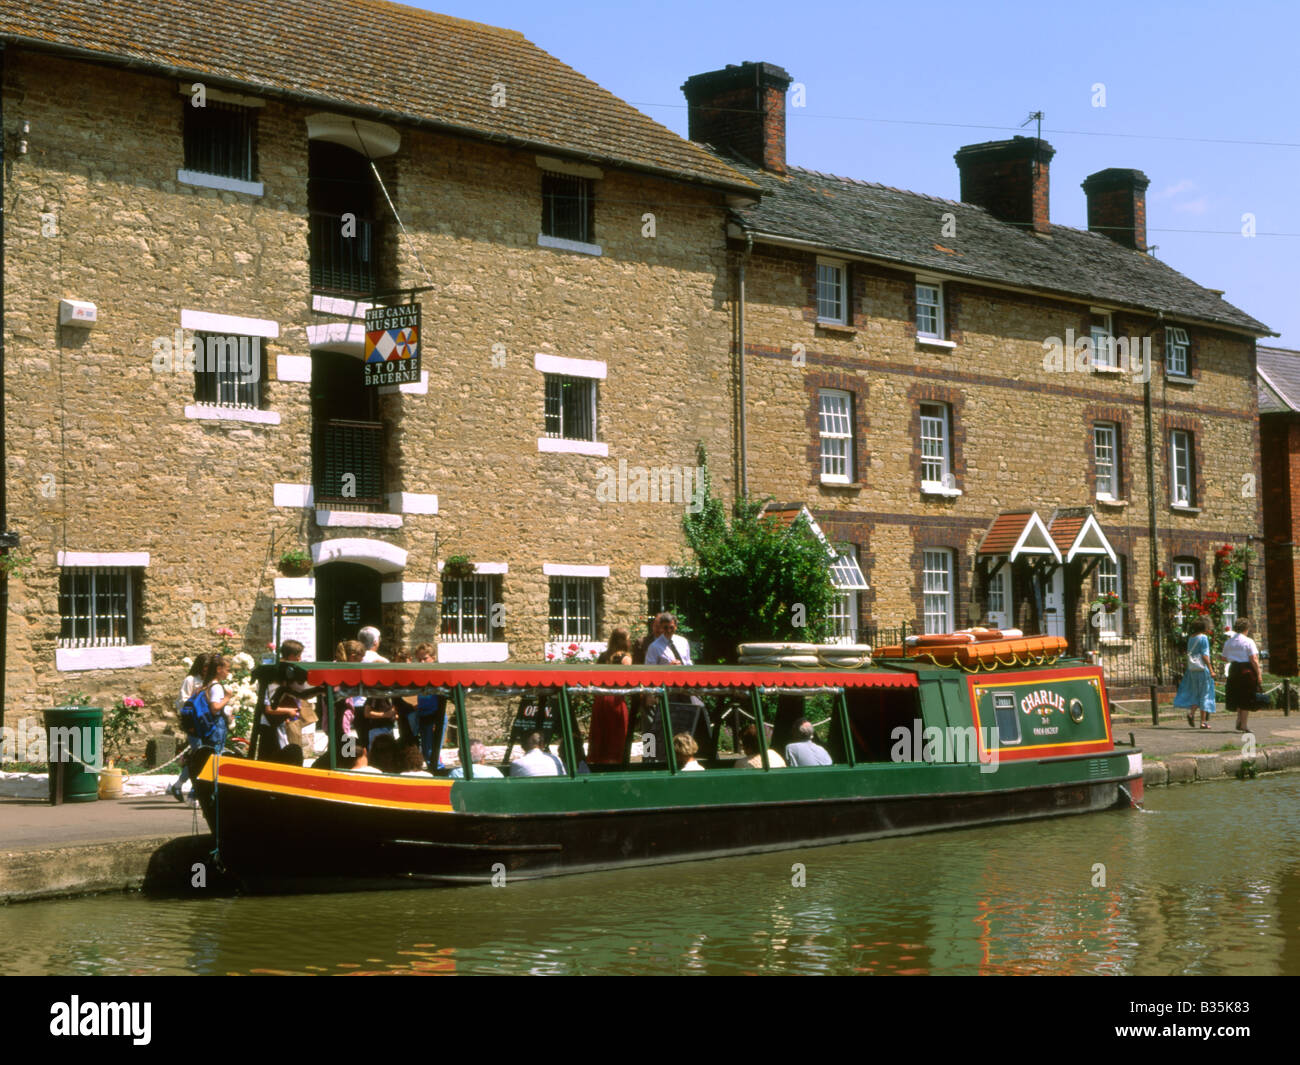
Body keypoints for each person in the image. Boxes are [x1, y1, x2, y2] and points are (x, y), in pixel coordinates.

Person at [644, 612, 709, 759]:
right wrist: (667, 668)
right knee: (654, 727)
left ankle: (703, 753)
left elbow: (689, 662)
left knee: (699, 712)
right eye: (665, 628)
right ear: (661, 627)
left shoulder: (682, 642)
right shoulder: (654, 647)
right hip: (666, 691)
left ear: (676, 626)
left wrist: (683, 666)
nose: (668, 631)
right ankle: (649, 757)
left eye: (671, 628)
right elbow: (649, 670)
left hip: (685, 688)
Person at [170, 653, 211, 801]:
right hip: (194, 723)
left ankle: (178, 784)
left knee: (199, 758)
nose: (207, 670)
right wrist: (197, 694)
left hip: (205, 723)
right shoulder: (191, 680)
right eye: (205, 666)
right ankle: (193, 793)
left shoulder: (210, 681)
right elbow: (182, 702)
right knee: (199, 757)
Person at [589, 627, 633, 765]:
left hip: (601, 700)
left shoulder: (603, 656)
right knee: (616, 735)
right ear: (623, 641)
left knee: (600, 734)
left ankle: (599, 764)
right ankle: (614, 765)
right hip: (616, 700)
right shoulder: (625, 659)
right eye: (628, 639)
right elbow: (628, 682)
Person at [1173, 618, 1216, 729]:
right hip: (1202, 669)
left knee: (1196, 693)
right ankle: (1203, 722)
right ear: (1204, 627)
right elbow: (1205, 655)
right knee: (1205, 694)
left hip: (1192, 670)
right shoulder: (1203, 638)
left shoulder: (1191, 638)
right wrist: (1211, 669)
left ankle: (1191, 713)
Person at [1223, 618, 1264, 733]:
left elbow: (1224, 657)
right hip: (1246, 670)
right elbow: (1254, 659)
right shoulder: (1248, 641)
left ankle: (1239, 720)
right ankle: (1244, 725)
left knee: (1237, 695)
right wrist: (1259, 674)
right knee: (1246, 697)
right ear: (1246, 629)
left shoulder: (1229, 642)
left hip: (1234, 669)